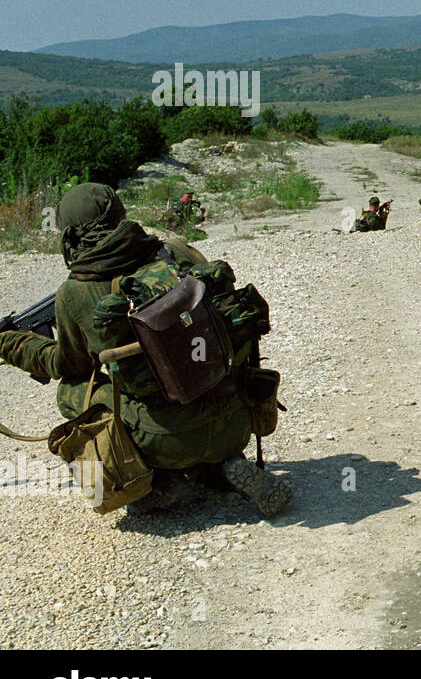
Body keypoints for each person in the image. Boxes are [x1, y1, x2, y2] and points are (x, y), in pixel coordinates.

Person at [0, 183, 290, 517]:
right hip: (235, 420)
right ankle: (221, 465)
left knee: (73, 390)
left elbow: (66, 364)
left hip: (166, 441)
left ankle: (157, 484)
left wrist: (11, 342)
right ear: (121, 217)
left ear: (70, 235)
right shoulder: (178, 252)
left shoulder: (75, 291)